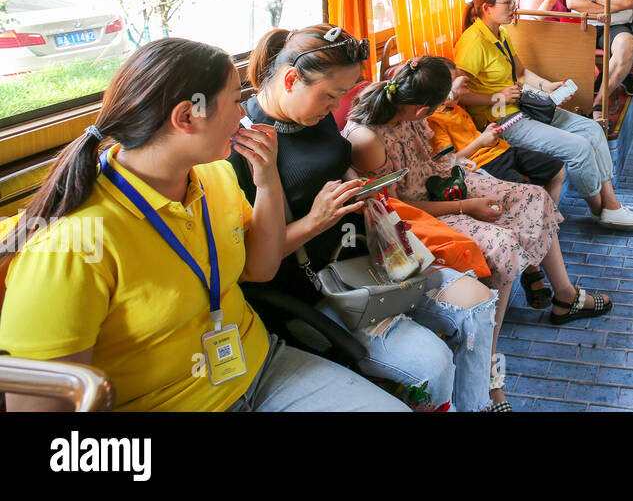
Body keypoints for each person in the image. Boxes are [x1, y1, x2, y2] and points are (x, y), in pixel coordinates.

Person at [0, 37, 406, 412]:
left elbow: (260, 269)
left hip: (260, 366)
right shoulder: (71, 244)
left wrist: (267, 180)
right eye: (234, 100)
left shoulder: (216, 177)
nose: (243, 111)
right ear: (187, 117)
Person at [230, 24, 496, 412]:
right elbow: (252, 264)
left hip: (371, 257)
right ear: (291, 79)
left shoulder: (311, 115)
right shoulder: (246, 148)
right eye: (331, 95)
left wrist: (357, 183)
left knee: (478, 304)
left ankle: (476, 404)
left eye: (340, 95)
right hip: (324, 290)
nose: (334, 107)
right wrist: (316, 220)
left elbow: (333, 164)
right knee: (434, 365)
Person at [344, 58, 612, 410]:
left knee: (534, 198)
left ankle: (565, 295)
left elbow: (433, 167)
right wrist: (466, 207)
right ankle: (486, 368)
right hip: (416, 218)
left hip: (439, 184)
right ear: (424, 107)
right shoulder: (370, 139)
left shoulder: (405, 111)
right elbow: (397, 209)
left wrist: (464, 181)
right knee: (502, 245)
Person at [455, 0, 633, 232]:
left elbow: (522, 72)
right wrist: (496, 97)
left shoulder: (500, 33)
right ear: (486, 8)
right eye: (507, 2)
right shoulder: (473, 42)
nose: (514, 6)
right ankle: (600, 210)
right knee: (579, 149)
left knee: (592, 129)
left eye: (513, 0)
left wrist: (548, 87)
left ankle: (611, 206)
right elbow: (459, 95)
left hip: (521, 107)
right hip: (501, 121)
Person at [430, 60, 567, 205]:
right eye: (452, 88)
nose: (459, 91)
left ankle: (550, 218)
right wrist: (480, 142)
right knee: (531, 196)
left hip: (502, 150)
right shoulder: (433, 120)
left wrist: (486, 134)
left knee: (557, 169)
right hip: (484, 163)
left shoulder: (455, 107)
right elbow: (447, 163)